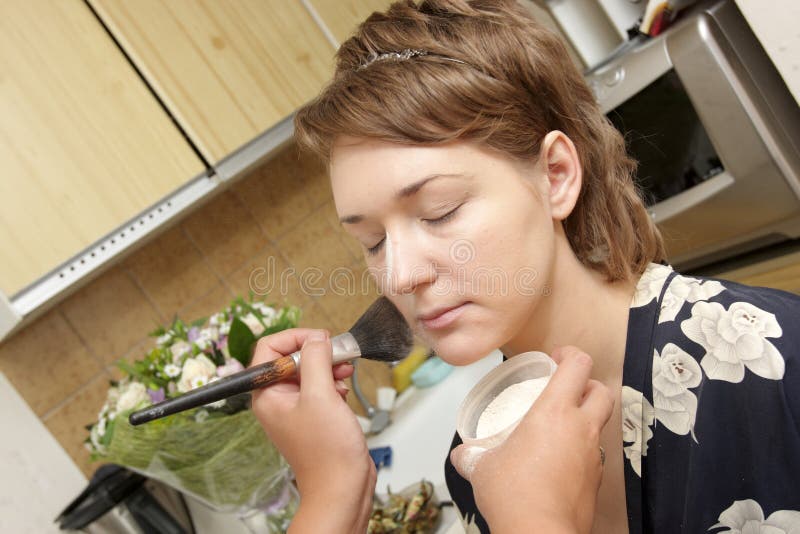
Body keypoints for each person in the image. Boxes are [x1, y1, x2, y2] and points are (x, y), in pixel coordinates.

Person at [251, 1, 800, 532]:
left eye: (440, 211)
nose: (399, 275)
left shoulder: (773, 362)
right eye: (372, 242)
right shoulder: (474, 468)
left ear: (555, 175)